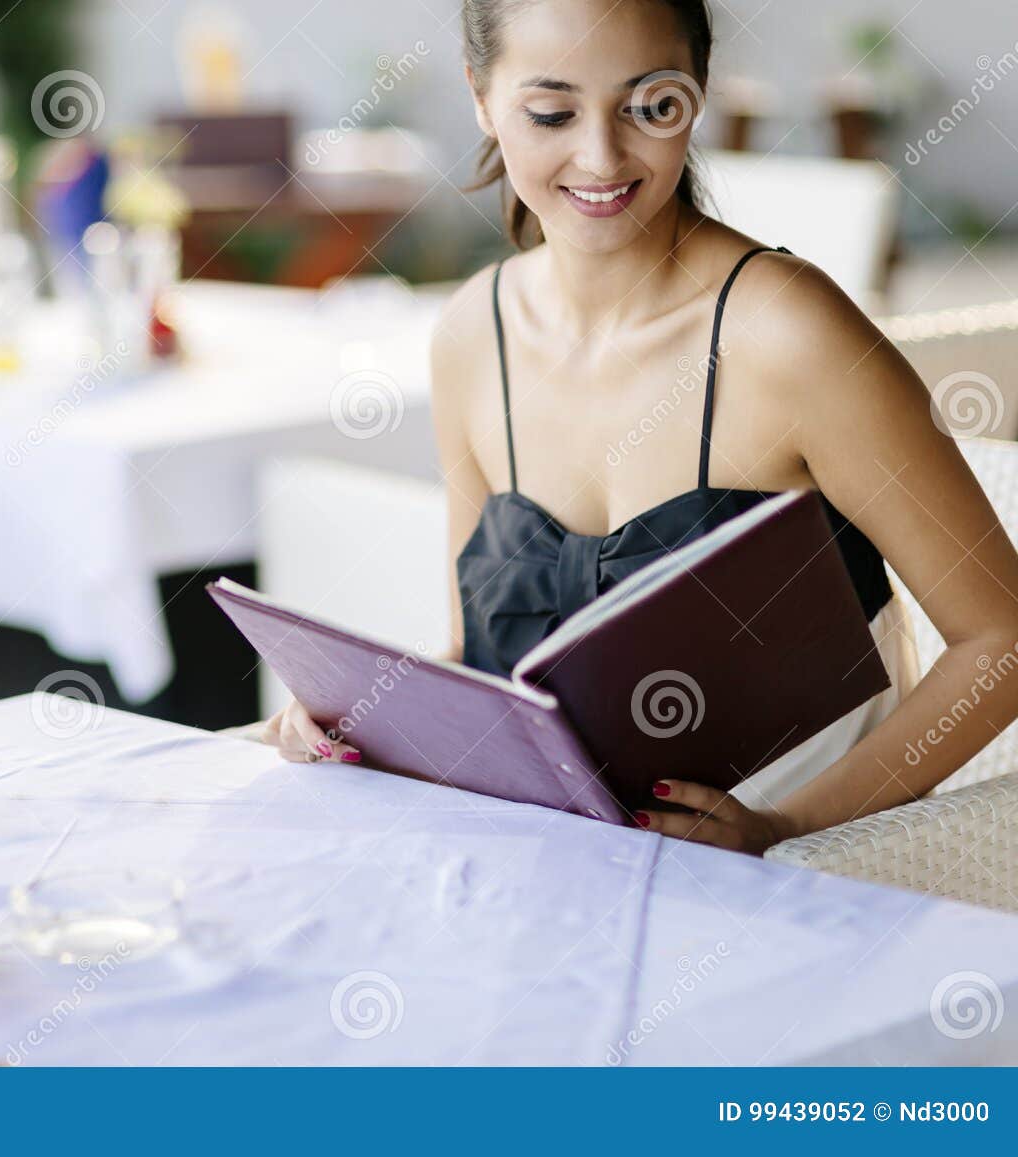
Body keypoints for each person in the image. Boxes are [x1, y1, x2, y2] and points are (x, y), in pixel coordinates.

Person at [261, 0, 1018, 854]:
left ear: (698, 89)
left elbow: (1001, 642)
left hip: (796, 884)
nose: (602, 157)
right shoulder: (473, 336)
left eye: (651, 106)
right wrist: (363, 719)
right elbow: (484, 663)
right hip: (558, 869)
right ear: (480, 96)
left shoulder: (788, 334)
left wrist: (785, 829)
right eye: (551, 114)